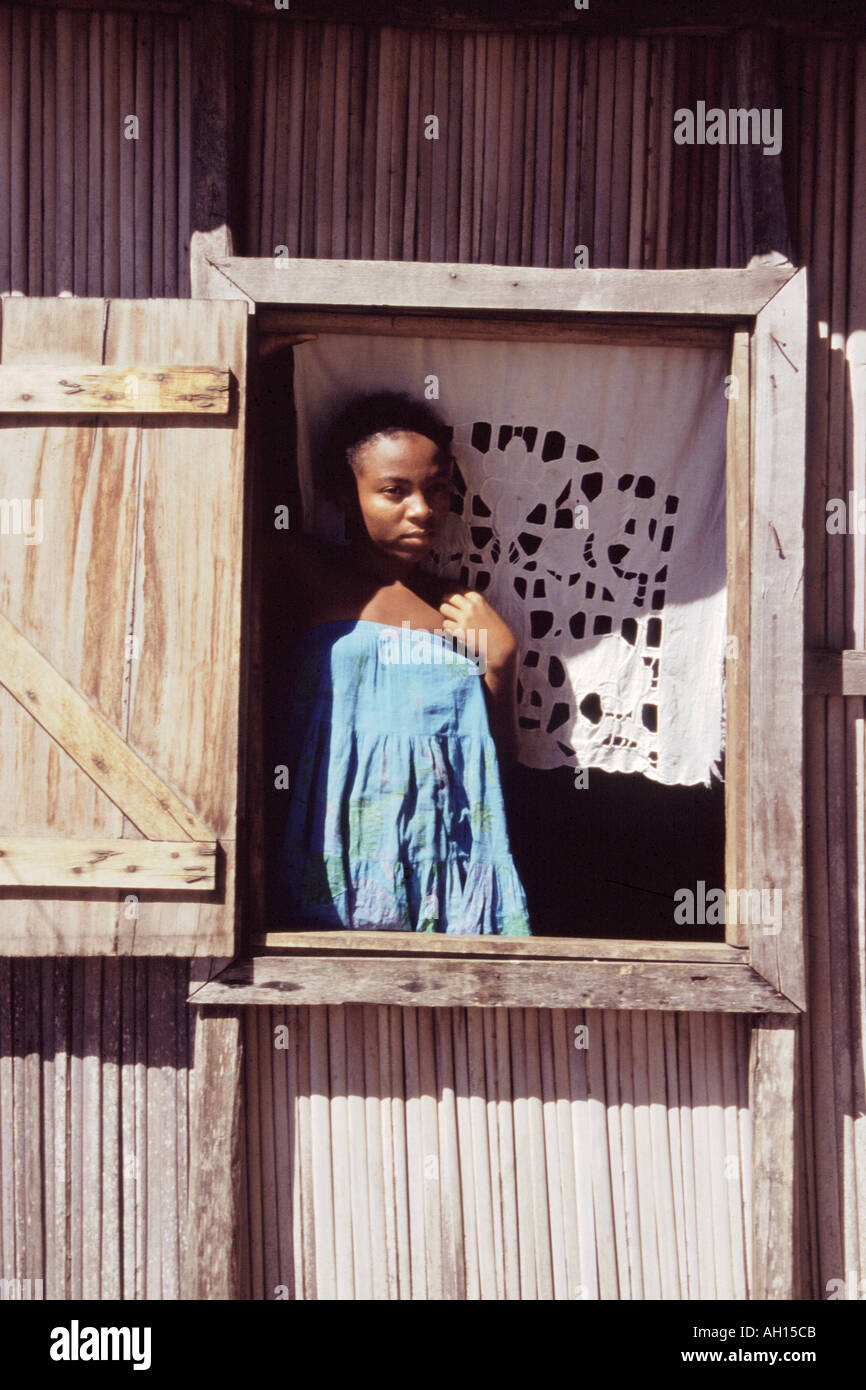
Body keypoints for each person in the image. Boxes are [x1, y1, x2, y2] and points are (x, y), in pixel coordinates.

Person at [267, 390, 531, 935]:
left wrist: (501, 663)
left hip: (444, 866)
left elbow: (486, 771)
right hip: (333, 854)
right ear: (345, 493)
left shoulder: (456, 606)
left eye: (437, 489)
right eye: (395, 490)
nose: (423, 510)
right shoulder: (306, 570)